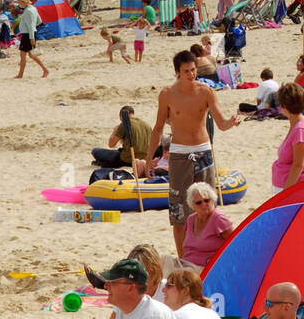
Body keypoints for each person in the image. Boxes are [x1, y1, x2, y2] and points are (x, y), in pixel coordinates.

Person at [151, 49, 242, 258]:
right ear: (177, 72)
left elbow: (221, 123)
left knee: (208, 205)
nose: (191, 75)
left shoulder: (207, 91)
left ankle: (212, 255)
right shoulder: (167, 94)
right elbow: (157, 128)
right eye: (186, 71)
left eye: (193, 70)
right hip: (180, 152)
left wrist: (232, 121)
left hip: (203, 150)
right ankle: (184, 259)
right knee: (179, 211)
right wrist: (149, 160)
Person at [273, 82, 304, 191]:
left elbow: (298, 165)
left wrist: (284, 195)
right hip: (287, 185)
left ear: (284, 107)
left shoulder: (301, 130)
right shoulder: (300, 123)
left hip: (294, 189)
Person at [178, 181, 234, 271]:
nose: (203, 204)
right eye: (199, 202)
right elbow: (187, 247)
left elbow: (235, 243)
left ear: (212, 200)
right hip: (187, 264)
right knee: (164, 260)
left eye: (207, 200)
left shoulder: (219, 219)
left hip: (207, 268)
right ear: (192, 205)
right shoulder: (191, 219)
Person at [94, 105, 153, 172]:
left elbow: (111, 144)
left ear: (121, 116)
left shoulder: (125, 123)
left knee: (95, 151)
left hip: (127, 158)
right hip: (143, 158)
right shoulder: (147, 125)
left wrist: (115, 130)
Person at [15, 0, 49, 78]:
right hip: (30, 33)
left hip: (28, 34)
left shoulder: (28, 11)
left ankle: (20, 74)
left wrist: (32, 37)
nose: (20, 5)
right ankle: (45, 70)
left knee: (24, 54)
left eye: (20, 3)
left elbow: (30, 25)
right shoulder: (33, 8)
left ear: (24, 2)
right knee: (31, 54)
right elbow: (39, 21)